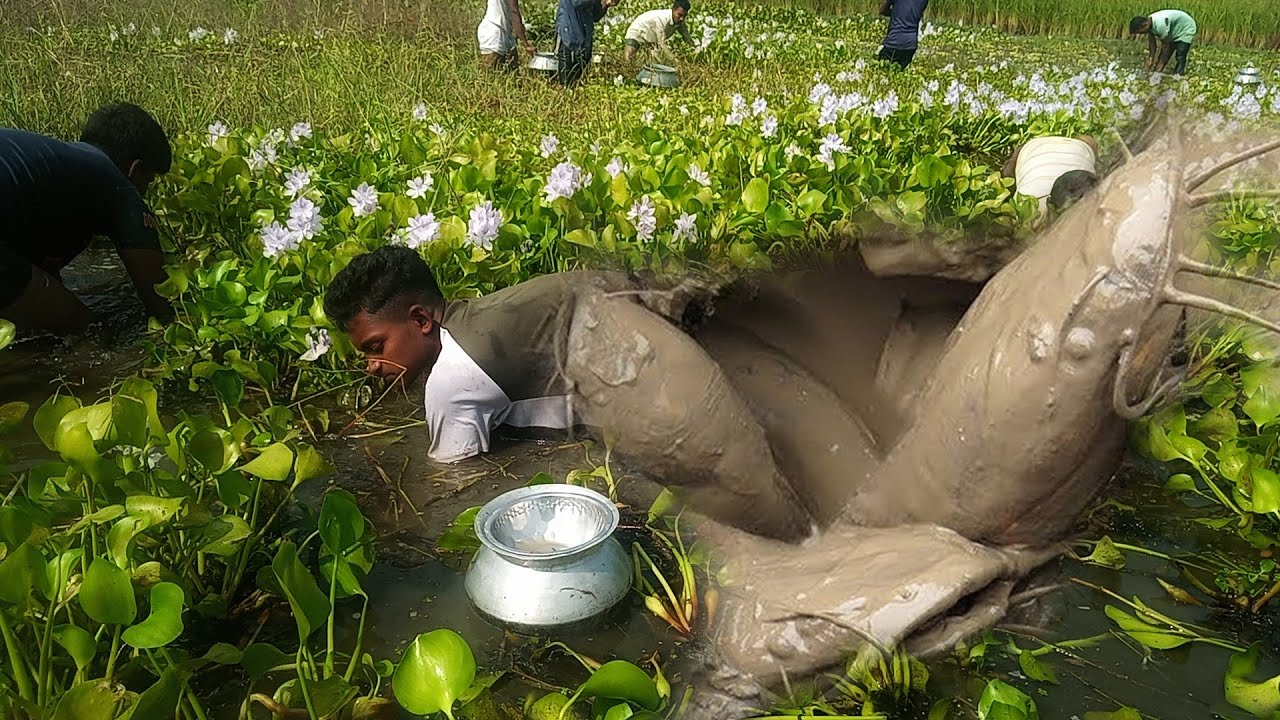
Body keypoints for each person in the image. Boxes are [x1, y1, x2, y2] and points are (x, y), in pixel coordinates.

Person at [323, 245, 813, 540]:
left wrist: (401, 525)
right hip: (688, 339)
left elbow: (449, 490)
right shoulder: (484, 316)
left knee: (764, 525)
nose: (372, 367)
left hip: (666, 393)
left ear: (421, 320)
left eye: (375, 347)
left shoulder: (452, 380)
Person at [0, 103, 173, 337]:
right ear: (135, 169)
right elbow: (159, 295)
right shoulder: (118, 185)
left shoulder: (55, 164)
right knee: (88, 333)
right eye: (149, 182)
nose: (144, 192)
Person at [1002, 135, 1099, 223]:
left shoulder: (1027, 147)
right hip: (1086, 210)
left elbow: (1006, 182)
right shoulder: (1084, 146)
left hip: (1031, 217)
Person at [555, 0, 619, 87]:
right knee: (568, 62)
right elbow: (578, 3)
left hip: (584, 32)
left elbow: (595, 16)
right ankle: (565, 88)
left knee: (584, 58)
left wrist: (606, 4)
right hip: (569, 28)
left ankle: (573, 88)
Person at [1129, 10, 1197, 76]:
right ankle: (1157, 73)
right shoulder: (1149, 23)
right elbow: (1152, 42)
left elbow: (1165, 47)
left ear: (1144, 25)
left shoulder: (1161, 25)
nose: (1141, 34)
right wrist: (1151, 59)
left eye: (1140, 32)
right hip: (1173, 30)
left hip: (1186, 28)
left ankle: (1178, 75)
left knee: (1180, 55)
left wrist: (1158, 66)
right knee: (1165, 54)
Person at [624, 0, 693, 64]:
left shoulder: (680, 22)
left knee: (655, 63)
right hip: (637, 31)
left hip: (651, 39)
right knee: (629, 59)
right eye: (679, 15)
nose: (681, 19)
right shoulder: (662, 19)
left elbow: (687, 38)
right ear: (673, 10)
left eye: (684, 16)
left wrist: (695, 49)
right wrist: (675, 60)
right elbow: (661, 44)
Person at [478, 0, 536, 71]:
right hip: (494, 32)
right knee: (489, 74)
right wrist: (526, 45)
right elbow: (514, 12)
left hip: (505, 30)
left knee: (513, 71)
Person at [877, 0, 929, 70]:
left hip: (894, 42)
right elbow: (917, 13)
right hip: (910, 46)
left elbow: (882, 10)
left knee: (882, 73)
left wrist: (896, 13)